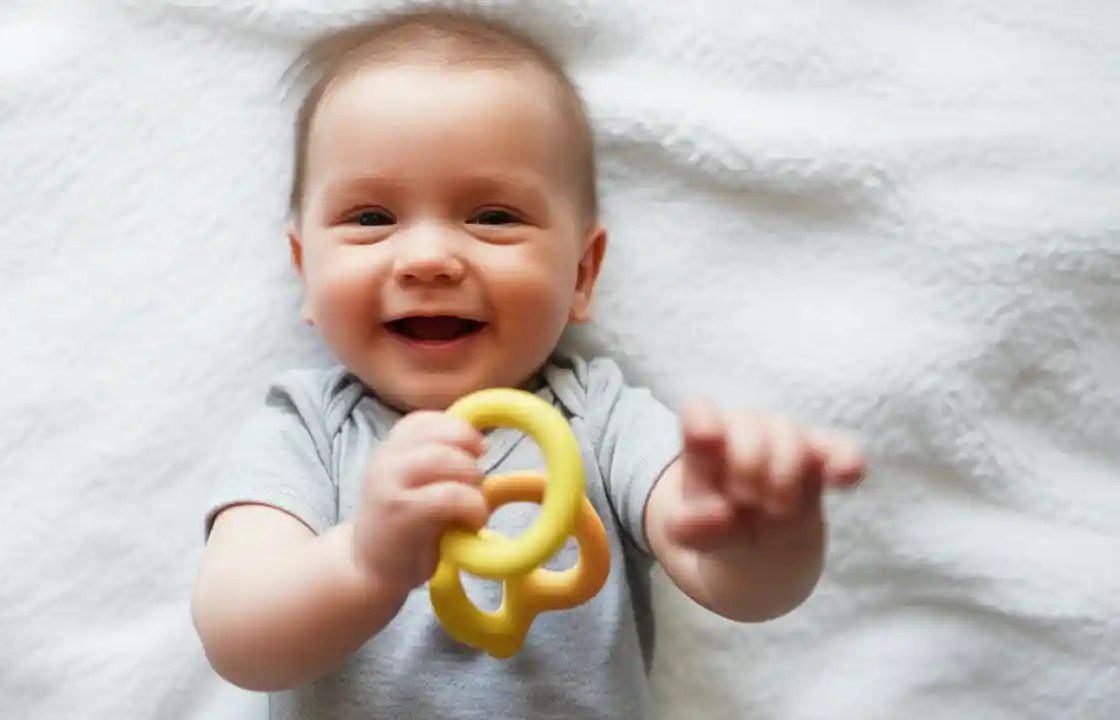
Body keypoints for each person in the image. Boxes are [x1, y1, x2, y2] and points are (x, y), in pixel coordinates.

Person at [192, 8, 866, 719]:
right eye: (370, 218)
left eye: (493, 216)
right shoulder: (308, 429)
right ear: (305, 273)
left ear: (581, 273)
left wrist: (765, 542)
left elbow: (736, 587)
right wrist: (365, 561)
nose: (427, 259)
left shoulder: (603, 418)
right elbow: (240, 640)